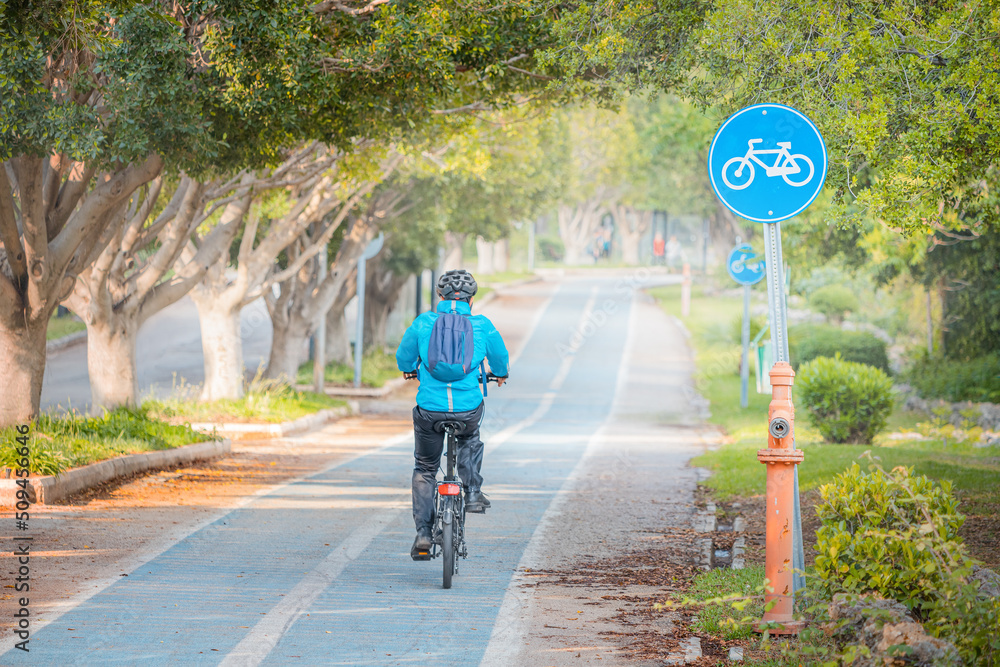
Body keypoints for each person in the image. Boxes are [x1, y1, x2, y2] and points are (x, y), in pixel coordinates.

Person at [395, 269, 509, 560]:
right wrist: (500, 374)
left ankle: (423, 532)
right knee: (470, 436)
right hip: (467, 408)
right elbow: (499, 357)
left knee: (424, 467)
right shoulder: (482, 325)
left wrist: (409, 369)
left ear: (440, 297)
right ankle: (471, 492)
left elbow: (404, 355)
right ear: (472, 300)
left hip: (430, 410)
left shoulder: (423, 323)